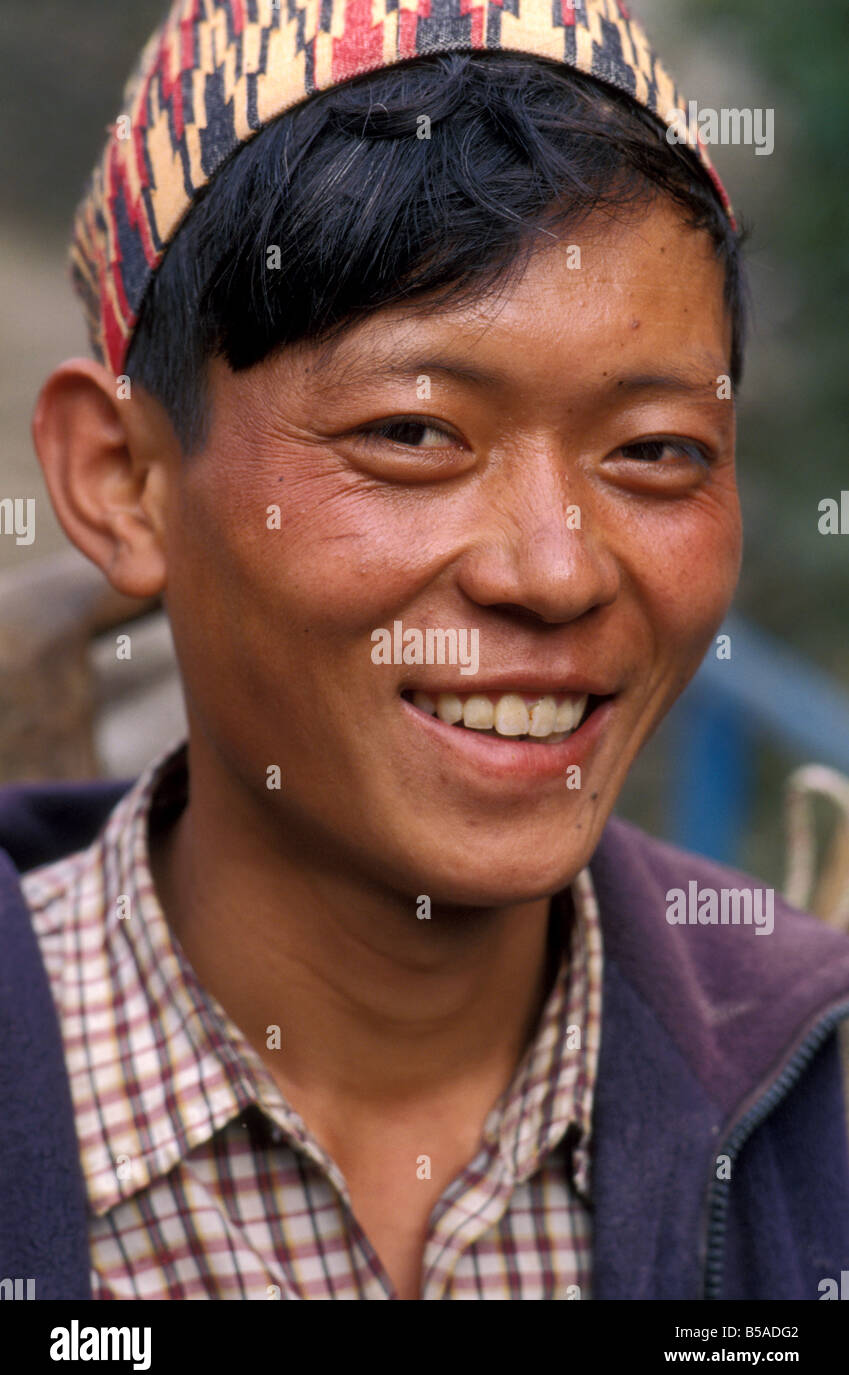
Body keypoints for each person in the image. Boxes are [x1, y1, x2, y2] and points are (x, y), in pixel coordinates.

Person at [2, 0, 848, 1301]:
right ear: (123, 479)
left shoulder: (810, 1105)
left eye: (654, 451)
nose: (554, 568)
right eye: (410, 433)